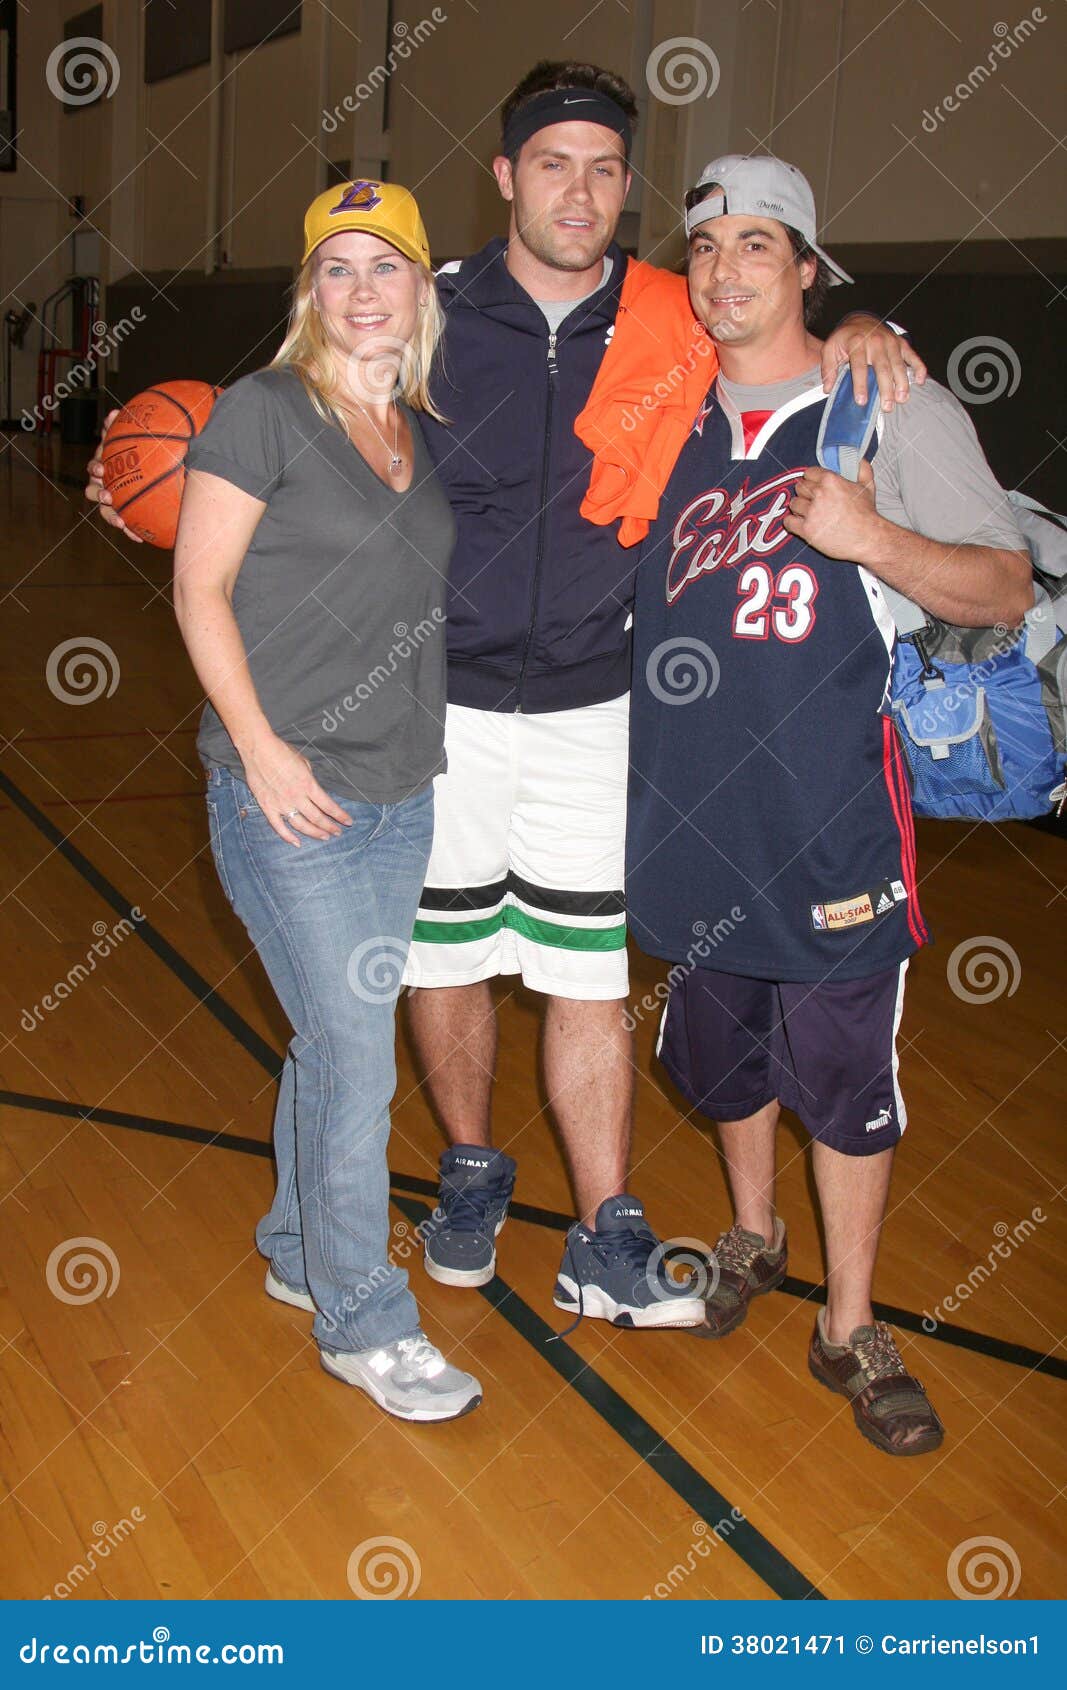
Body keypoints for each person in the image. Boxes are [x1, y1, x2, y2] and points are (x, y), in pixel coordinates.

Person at [86, 60, 924, 1336]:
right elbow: (292, 410)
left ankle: (605, 1232)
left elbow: (788, 329)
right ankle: (470, 1171)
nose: (576, 190)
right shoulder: (429, 310)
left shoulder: (678, 315)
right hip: (440, 704)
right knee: (446, 955)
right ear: (504, 176)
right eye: (550, 163)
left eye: (601, 168)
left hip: (600, 702)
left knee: (588, 975)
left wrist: (878, 334)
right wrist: (153, 475)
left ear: (628, 189)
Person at [624, 154, 1032, 1450]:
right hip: (686, 822)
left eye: (760, 244)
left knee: (846, 1080)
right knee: (720, 1059)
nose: (726, 268)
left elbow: (1001, 586)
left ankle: (847, 1324)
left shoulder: (883, 405)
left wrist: (876, 541)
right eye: (705, 246)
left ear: (807, 269)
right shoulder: (662, 406)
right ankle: (750, 1235)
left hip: (833, 822)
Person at [171, 180, 480, 1422]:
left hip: (398, 789)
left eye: (384, 266)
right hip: (284, 793)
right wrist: (262, 751)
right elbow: (200, 591)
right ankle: (364, 1315)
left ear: (418, 291)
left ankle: (301, 1252)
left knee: (329, 1042)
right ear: (311, 293)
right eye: (335, 268)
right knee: (357, 1058)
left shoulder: (414, 428)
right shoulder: (260, 412)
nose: (361, 289)